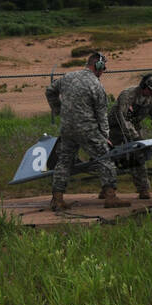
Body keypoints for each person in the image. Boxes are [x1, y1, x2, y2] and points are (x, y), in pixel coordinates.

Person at [44, 51, 128, 210]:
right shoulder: (96, 86)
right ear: (98, 66)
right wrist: (105, 137)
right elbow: (102, 115)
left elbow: (50, 91)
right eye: (103, 68)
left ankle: (57, 199)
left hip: (67, 128)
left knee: (64, 162)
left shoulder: (67, 77)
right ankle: (110, 197)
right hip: (87, 128)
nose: (103, 72)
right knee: (105, 158)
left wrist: (58, 110)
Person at [110, 74, 152, 199]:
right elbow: (123, 118)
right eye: (151, 90)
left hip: (134, 128)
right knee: (108, 157)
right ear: (143, 86)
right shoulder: (128, 95)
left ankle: (143, 189)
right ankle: (108, 190)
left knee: (139, 156)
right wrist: (136, 137)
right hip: (115, 129)